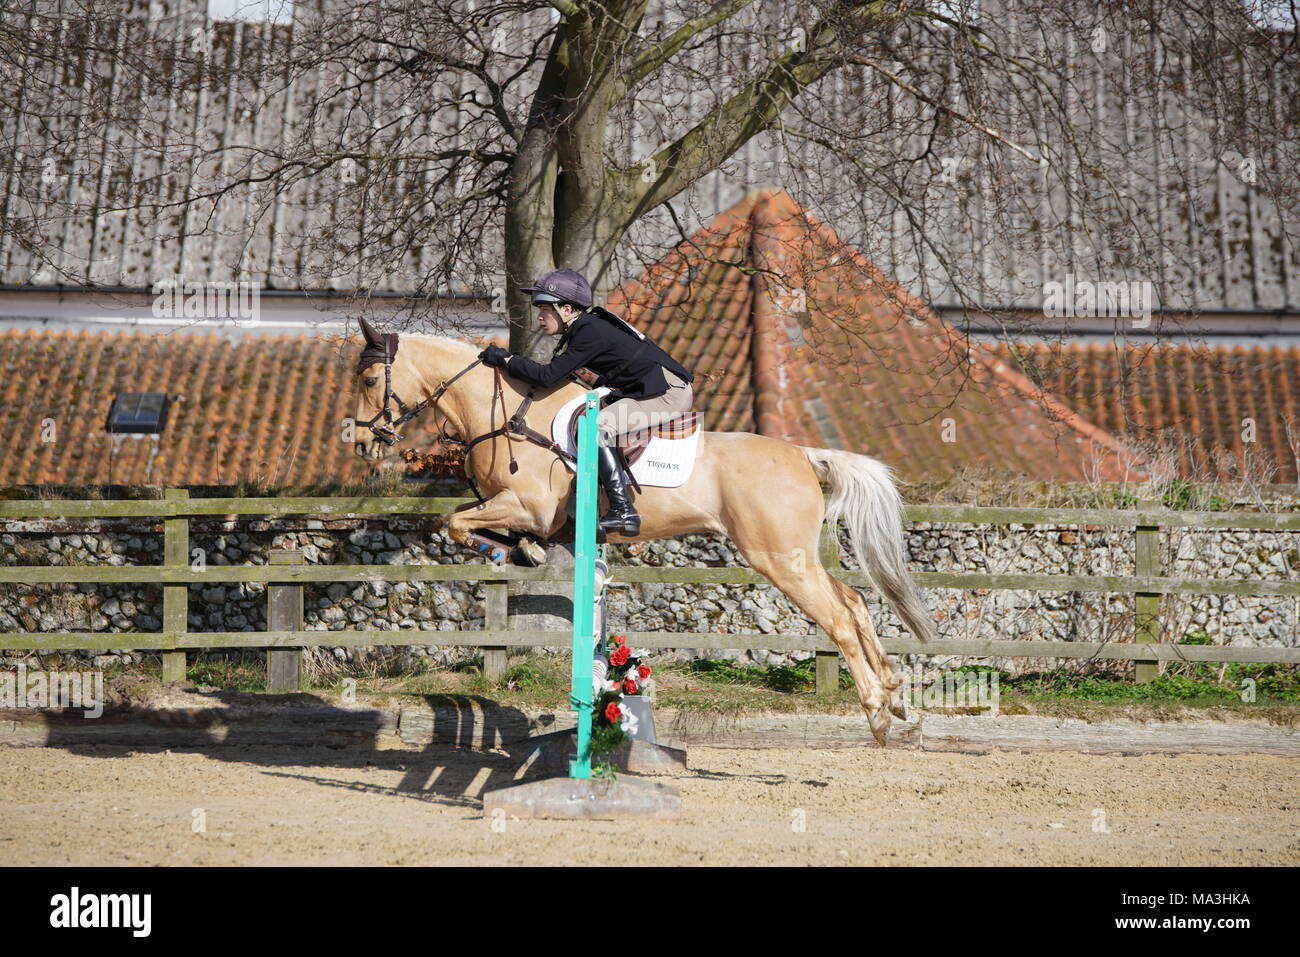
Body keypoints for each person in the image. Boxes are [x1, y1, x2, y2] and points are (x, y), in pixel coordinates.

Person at [478, 268, 694, 536]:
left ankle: (623, 510)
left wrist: (506, 360)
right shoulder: (587, 328)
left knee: (596, 428)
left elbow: (547, 376)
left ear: (566, 309)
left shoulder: (588, 330)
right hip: (649, 388)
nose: (540, 316)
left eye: (545, 308)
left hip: (666, 393)